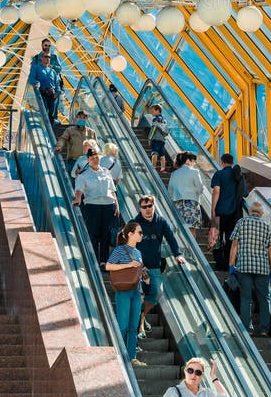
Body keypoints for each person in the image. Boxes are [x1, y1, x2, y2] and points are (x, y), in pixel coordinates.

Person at [135, 194, 186, 337]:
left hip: (155, 266)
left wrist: (177, 254)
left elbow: (171, 238)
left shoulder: (161, 222)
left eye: (150, 206)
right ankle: (138, 324)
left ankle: (142, 316)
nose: (147, 209)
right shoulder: (135, 223)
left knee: (157, 292)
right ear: (140, 208)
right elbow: (129, 244)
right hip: (138, 267)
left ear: (154, 205)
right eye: (144, 207)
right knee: (139, 295)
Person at [229, 200, 271, 336]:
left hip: (244, 266)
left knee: (246, 298)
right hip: (262, 269)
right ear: (261, 213)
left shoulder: (241, 222)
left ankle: (247, 329)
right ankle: (265, 329)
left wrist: (231, 264)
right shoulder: (267, 226)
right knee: (264, 299)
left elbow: (235, 244)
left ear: (249, 211)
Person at [105, 221, 147, 368]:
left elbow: (136, 272)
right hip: (123, 290)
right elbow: (109, 266)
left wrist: (143, 276)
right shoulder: (120, 250)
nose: (142, 235)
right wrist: (129, 265)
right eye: (139, 232)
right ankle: (117, 356)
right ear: (130, 234)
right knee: (122, 325)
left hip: (136, 290)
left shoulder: (139, 252)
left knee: (133, 326)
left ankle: (131, 357)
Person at [72, 148, 119, 264]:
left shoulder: (106, 172)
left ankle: (103, 261)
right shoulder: (83, 175)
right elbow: (79, 189)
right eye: (92, 158)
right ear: (88, 160)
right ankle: (93, 261)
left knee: (106, 235)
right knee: (93, 233)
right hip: (93, 207)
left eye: (97, 157)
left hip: (109, 205)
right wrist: (77, 198)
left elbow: (112, 190)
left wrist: (116, 205)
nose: (95, 160)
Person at [210, 153, 247, 271]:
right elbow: (245, 193)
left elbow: (216, 191)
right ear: (232, 162)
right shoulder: (238, 175)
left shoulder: (219, 174)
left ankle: (219, 263)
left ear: (222, 162)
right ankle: (229, 263)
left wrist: (213, 208)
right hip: (235, 214)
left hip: (220, 212)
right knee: (231, 240)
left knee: (216, 238)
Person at [168, 152, 204, 237]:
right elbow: (200, 189)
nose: (194, 164)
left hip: (178, 204)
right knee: (191, 229)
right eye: (193, 161)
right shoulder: (194, 172)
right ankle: (192, 250)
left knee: (180, 229)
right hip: (191, 204)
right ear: (188, 161)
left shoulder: (174, 174)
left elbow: (170, 191)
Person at [30, 38, 64, 123]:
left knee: (53, 107)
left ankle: (53, 121)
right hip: (42, 87)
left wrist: (52, 67)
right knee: (44, 106)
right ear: (42, 46)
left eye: (49, 45)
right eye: (46, 45)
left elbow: (59, 68)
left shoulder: (54, 57)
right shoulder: (37, 58)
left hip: (53, 86)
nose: (47, 47)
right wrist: (36, 82)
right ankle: (47, 121)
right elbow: (33, 73)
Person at [55, 110, 96, 175]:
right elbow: (63, 139)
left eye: (84, 117)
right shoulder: (70, 130)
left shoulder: (91, 132)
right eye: (80, 117)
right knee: (72, 182)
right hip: (73, 161)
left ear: (87, 118)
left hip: (87, 162)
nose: (82, 119)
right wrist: (59, 146)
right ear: (77, 117)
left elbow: (95, 147)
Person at [148, 104, 170, 172]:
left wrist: (149, 138)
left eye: (153, 111)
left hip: (156, 138)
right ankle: (163, 168)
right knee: (162, 154)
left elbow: (153, 129)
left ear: (158, 110)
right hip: (162, 140)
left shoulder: (156, 119)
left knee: (154, 152)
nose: (152, 112)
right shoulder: (164, 120)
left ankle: (153, 168)